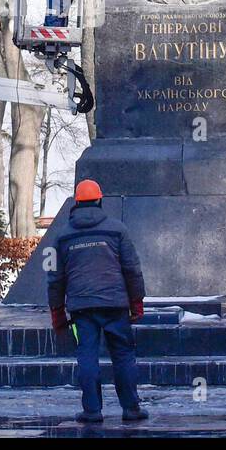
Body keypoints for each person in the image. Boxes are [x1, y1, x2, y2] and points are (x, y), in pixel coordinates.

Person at [47, 179, 148, 423]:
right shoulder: (117, 229)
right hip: (115, 305)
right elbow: (132, 268)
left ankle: (92, 411)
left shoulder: (62, 237)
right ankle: (131, 409)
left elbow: (55, 278)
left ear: (76, 203)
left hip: (82, 309)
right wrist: (136, 301)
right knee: (123, 355)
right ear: (100, 200)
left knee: (87, 356)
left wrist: (57, 313)